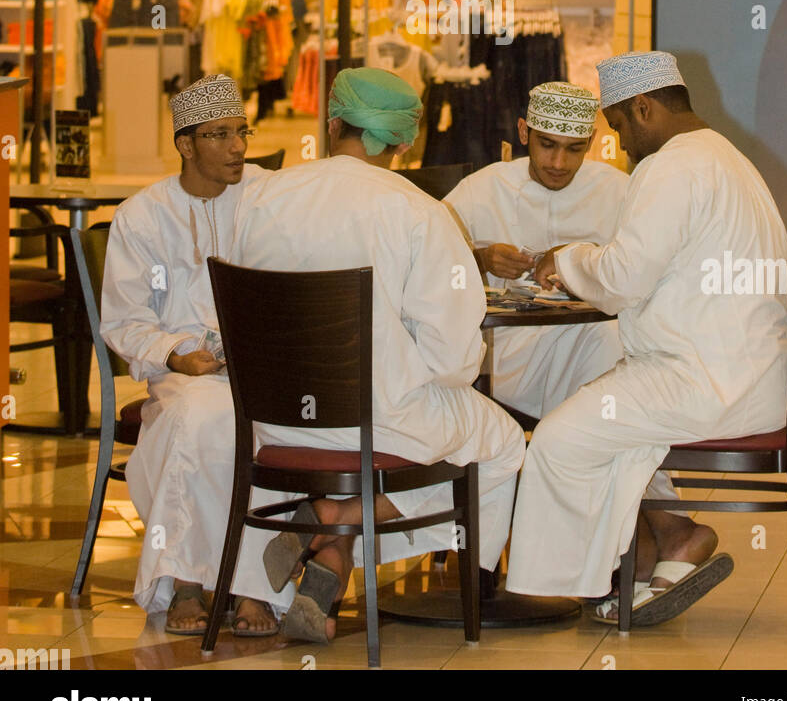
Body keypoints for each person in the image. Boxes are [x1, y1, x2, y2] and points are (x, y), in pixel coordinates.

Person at [506, 51, 787, 627]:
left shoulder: (671, 167)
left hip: (704, 379)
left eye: (617, 128)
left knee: (559, 439)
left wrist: (565, 260)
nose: (620, 144)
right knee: (608, 409)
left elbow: (621, 281)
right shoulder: (725, 157)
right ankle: (669, 545)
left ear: (643, 107)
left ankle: (562, 588)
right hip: (746, 373)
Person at [236, 67, 526, 644]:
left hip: (275, 422)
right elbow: (451, 356)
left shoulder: (261, 197)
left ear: (333, 122)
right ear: (404, 141)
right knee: (502, 444)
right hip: (381, 425)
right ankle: (337, 525)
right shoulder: (419, 212)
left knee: (441, 432)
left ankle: (334, 540)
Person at [99, 75, 277, 637]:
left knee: (281, 426)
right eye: (219, 135)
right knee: (200, 419)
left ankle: (253, 584)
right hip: (187, 374)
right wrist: (176, 354)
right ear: (184, 144)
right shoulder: (143, 216)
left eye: (241, 132)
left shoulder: (271, 198)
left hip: (268, 367)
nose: (238, 148)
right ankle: (187, 581)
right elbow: (125, 320)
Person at [444, 82, 628, 419]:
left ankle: (582, 457)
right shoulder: (483, 188)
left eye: (574, 149)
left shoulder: (617, 189)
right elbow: (430, 262)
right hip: (505, 348)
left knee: (609, 339)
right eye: (547, 145)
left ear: (592, 142)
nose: (558, 162)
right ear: (523, 132)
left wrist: (582, 262)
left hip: (591, 333)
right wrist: (480, 260)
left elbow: (643, 267)